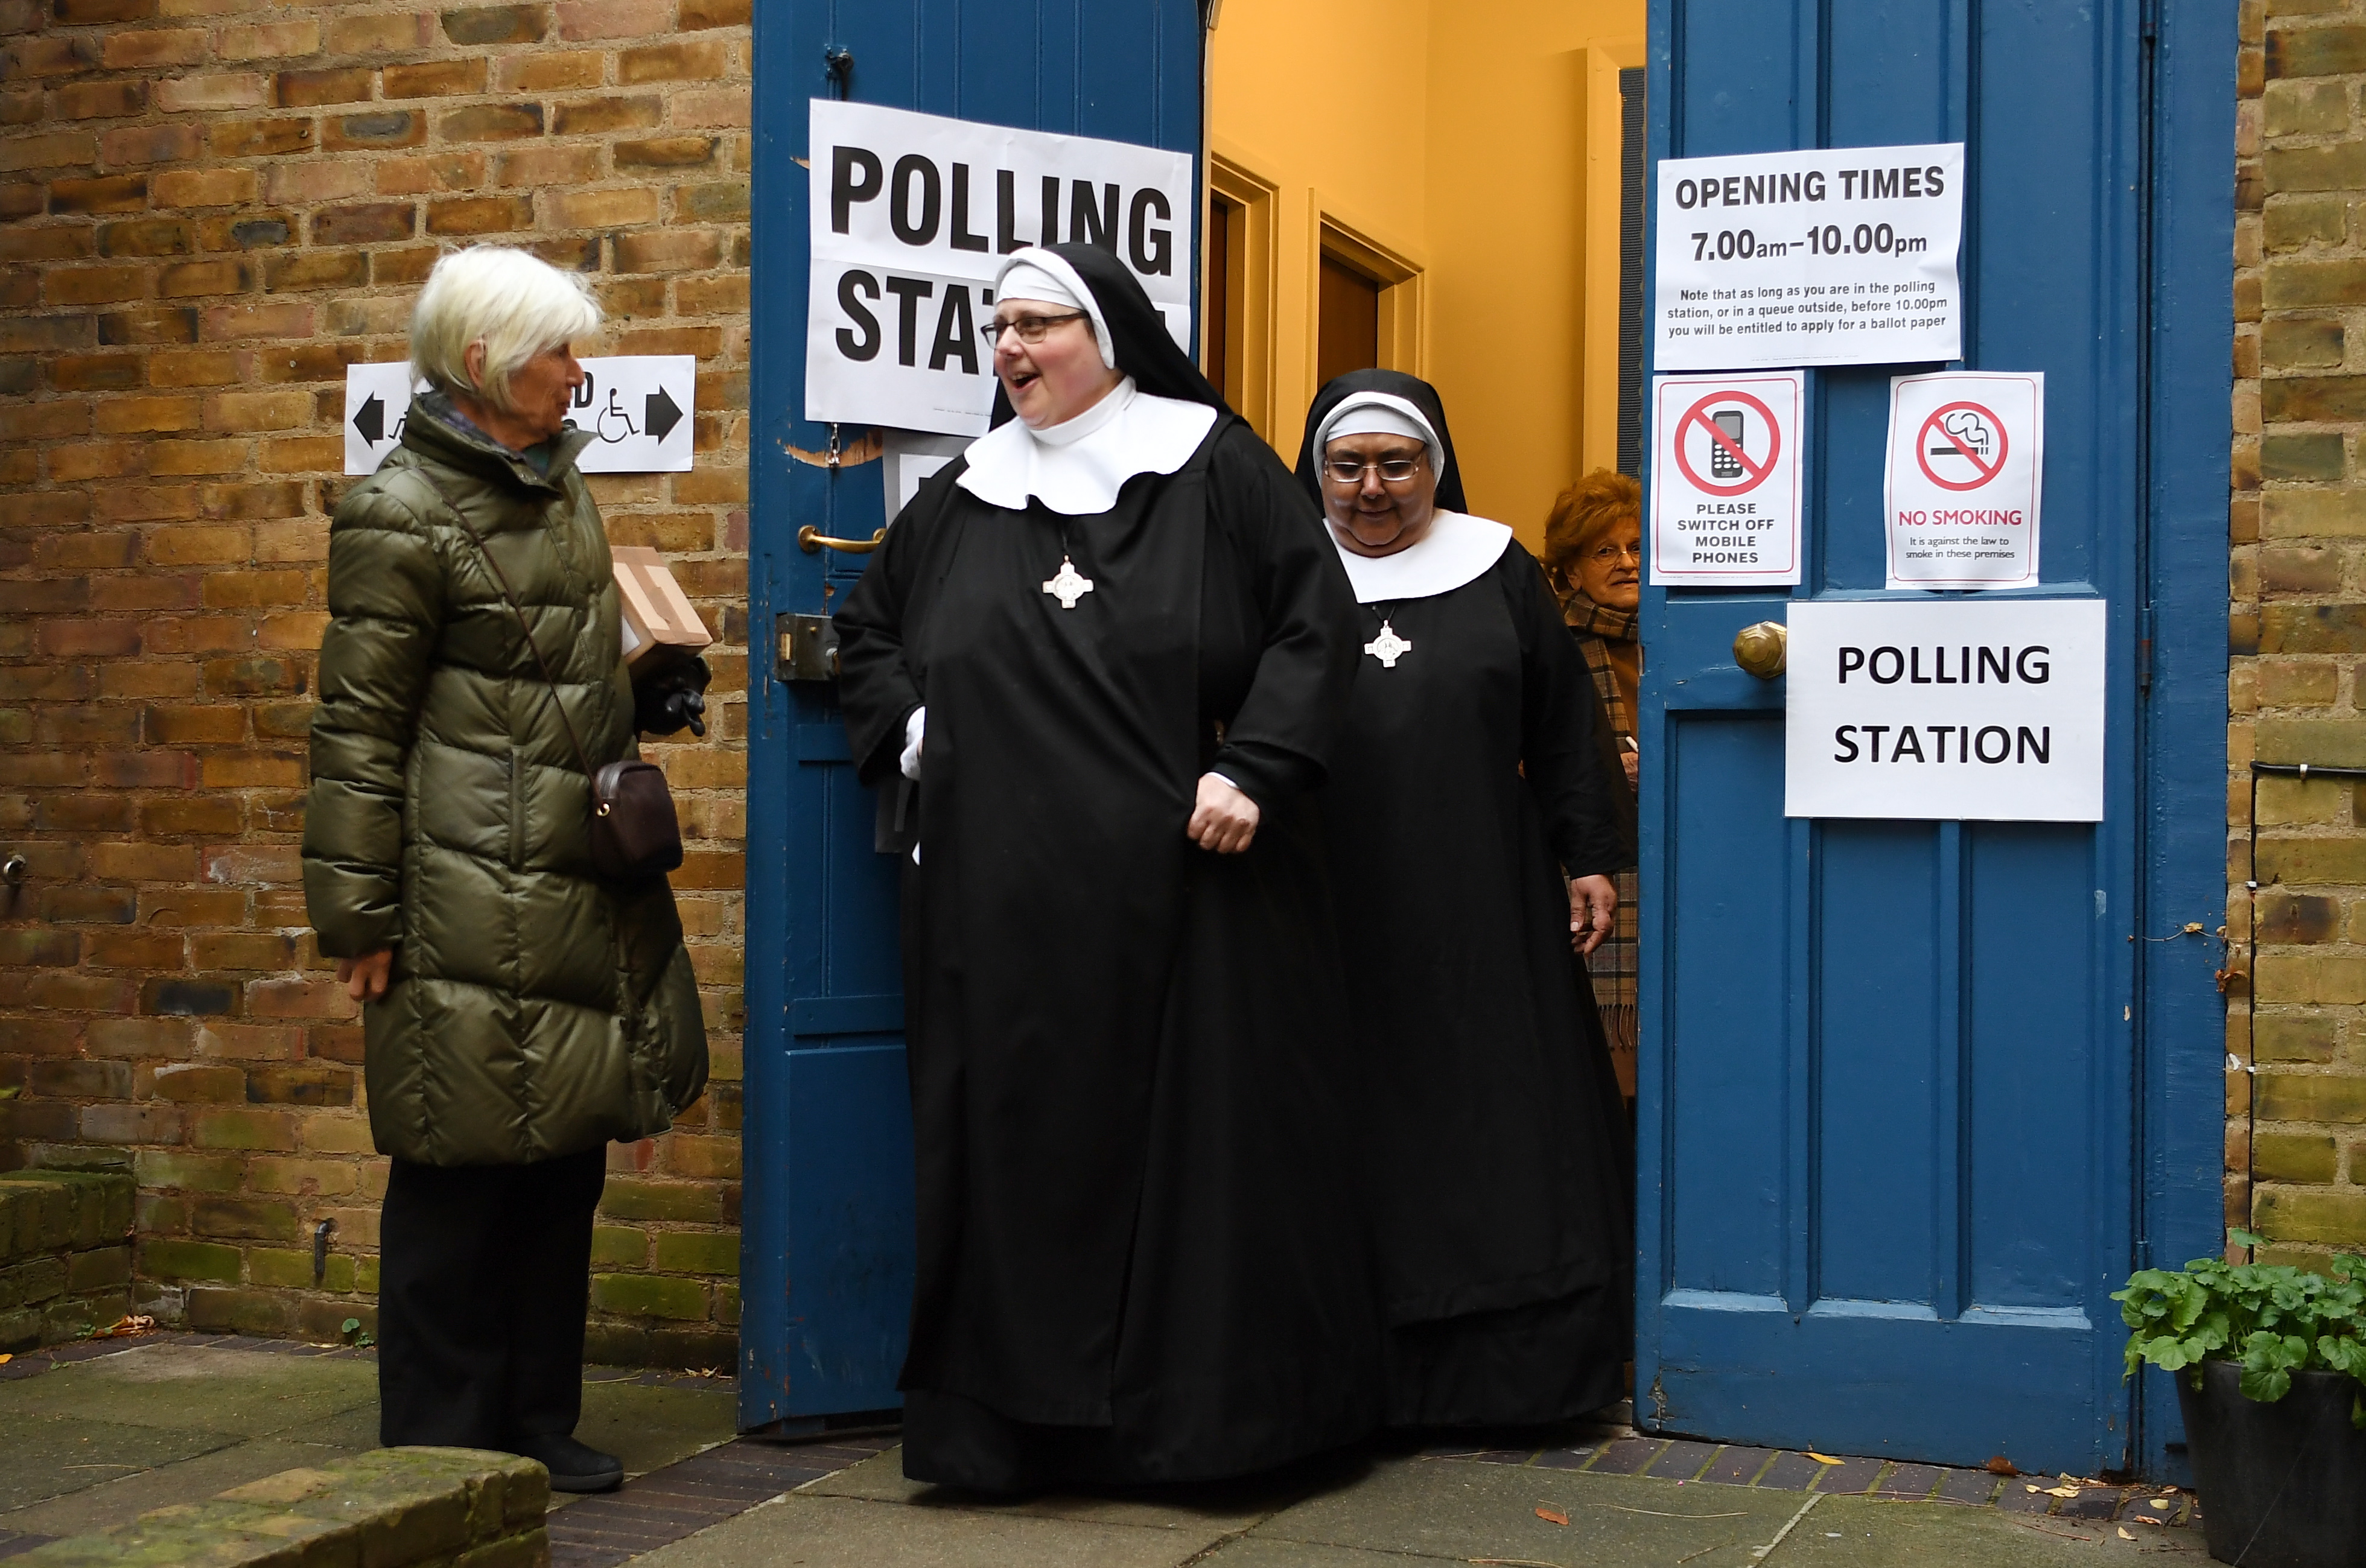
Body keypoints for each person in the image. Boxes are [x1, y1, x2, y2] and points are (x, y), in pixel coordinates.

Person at [835, 243, 1379, 1490]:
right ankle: (1007, 1435)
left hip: (1190, 893)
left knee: (1196, 1159)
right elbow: (870, 631)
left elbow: (1315, 625)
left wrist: (1255, 768)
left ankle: (1191, 1434)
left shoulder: (1214, 466)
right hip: (998, 904)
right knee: (1009, 1155)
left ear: (1110, 335)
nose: (1010, 349)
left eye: (1036, 325)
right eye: (998, 327)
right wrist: (917, 729)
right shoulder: (966, 490)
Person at [301, 246, 710, 1492]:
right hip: (459, 889)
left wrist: (650, 679)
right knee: (457, 1164)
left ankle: (537, 1417)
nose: (580, 378)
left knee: (561, 1157)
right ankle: (438, 1439)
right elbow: (358, 730)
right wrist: (357, 916)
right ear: (484, 365)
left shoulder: (561, 489)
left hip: (576, 874)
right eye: (559, 355)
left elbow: (539, 674)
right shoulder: (398, 511)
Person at [1294, 370, 1635, 1430]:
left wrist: (1586, 852)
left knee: (1498, 1114)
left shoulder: (1499, 568)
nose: (1372, 488)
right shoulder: (1278, 570)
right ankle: (1350, 1371)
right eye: (1347, 466)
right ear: (1317, 471)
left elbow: (1561, 720)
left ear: (1435, 464)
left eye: (1398, 464)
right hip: (1319, 895)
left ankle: (1514, 1377)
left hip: (1482, 891)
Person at [1542, 470, 1644, 1096]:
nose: (1627, 563)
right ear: (1572, 573)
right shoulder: (1549, 646)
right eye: (1605, 551)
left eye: (1637, 548)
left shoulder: (1684, 641)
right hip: (1588, 873)